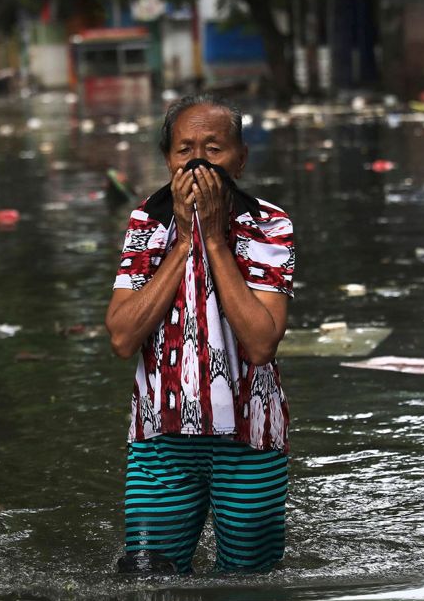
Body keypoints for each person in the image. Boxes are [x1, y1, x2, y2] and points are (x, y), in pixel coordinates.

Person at [104, 94, 295, 575]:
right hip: (159, 439)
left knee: (249, 592)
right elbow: (123, 338)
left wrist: (212, 238)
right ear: (168, 159)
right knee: (149, 585)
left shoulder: (268, 226)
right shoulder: (147, 223)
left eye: (214, 150)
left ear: (241, 159)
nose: (197, 163)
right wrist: (185, 241)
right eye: (184, 149)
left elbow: (260, 344)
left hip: (250, 439)